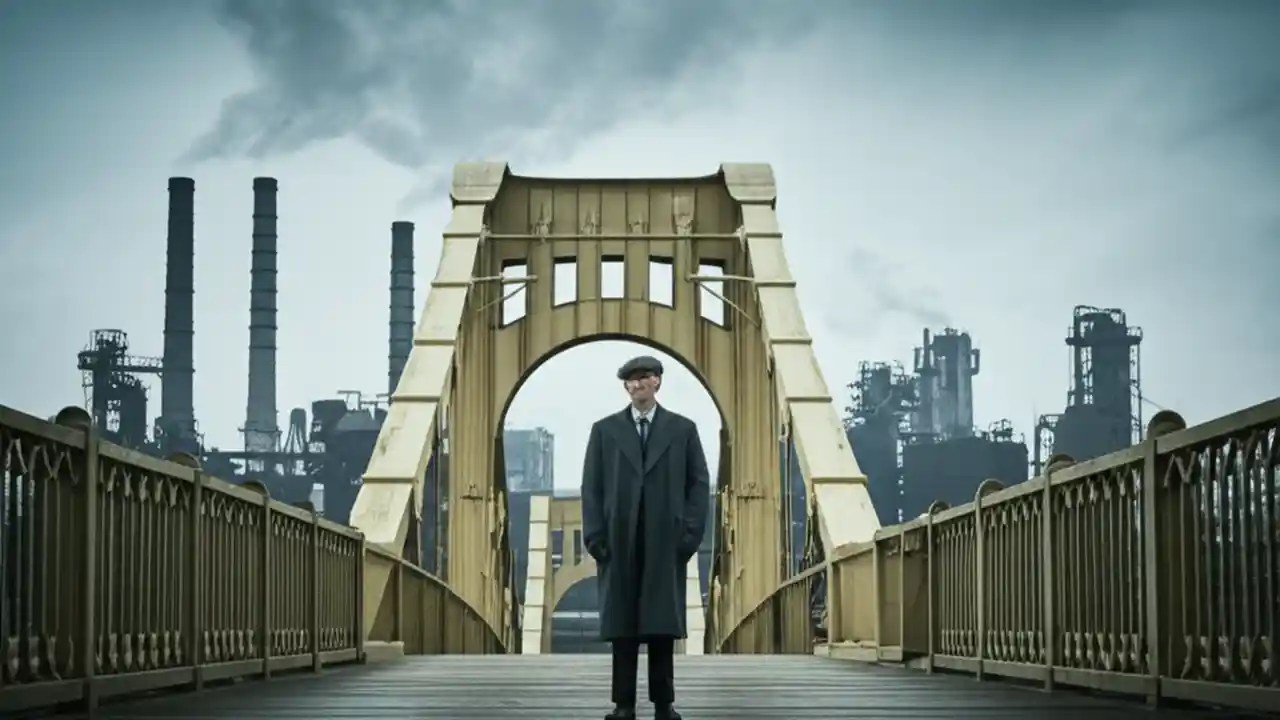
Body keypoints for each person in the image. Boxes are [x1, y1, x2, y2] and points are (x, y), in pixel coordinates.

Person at [581, 354, 710, 720]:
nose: (638, 385)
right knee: (623, 628)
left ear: (658, 382)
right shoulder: (604, 431)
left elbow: (698, 486)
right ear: (626, 386)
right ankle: (623, 705)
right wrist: (595, 537)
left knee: (660, 627)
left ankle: (664, 704)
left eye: (645, 378)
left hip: (664, 541)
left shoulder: (682, 430)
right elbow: (591, 487)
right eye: (632, 380)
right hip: (618, 540)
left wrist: (687, 538)